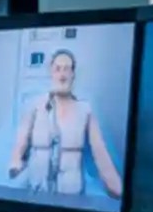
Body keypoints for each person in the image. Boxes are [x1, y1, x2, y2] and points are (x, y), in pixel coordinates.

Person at [7, 49, 123, 196]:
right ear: (51, 73)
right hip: (36, 195)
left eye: (67, 69)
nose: (62, 75)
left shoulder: (85, 111)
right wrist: (15, 164)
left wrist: (119, 191)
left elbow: (101, 154)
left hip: (71, 199)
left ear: (73, 74)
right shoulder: (35, 107)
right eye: (58, 69)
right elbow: (20, 144)